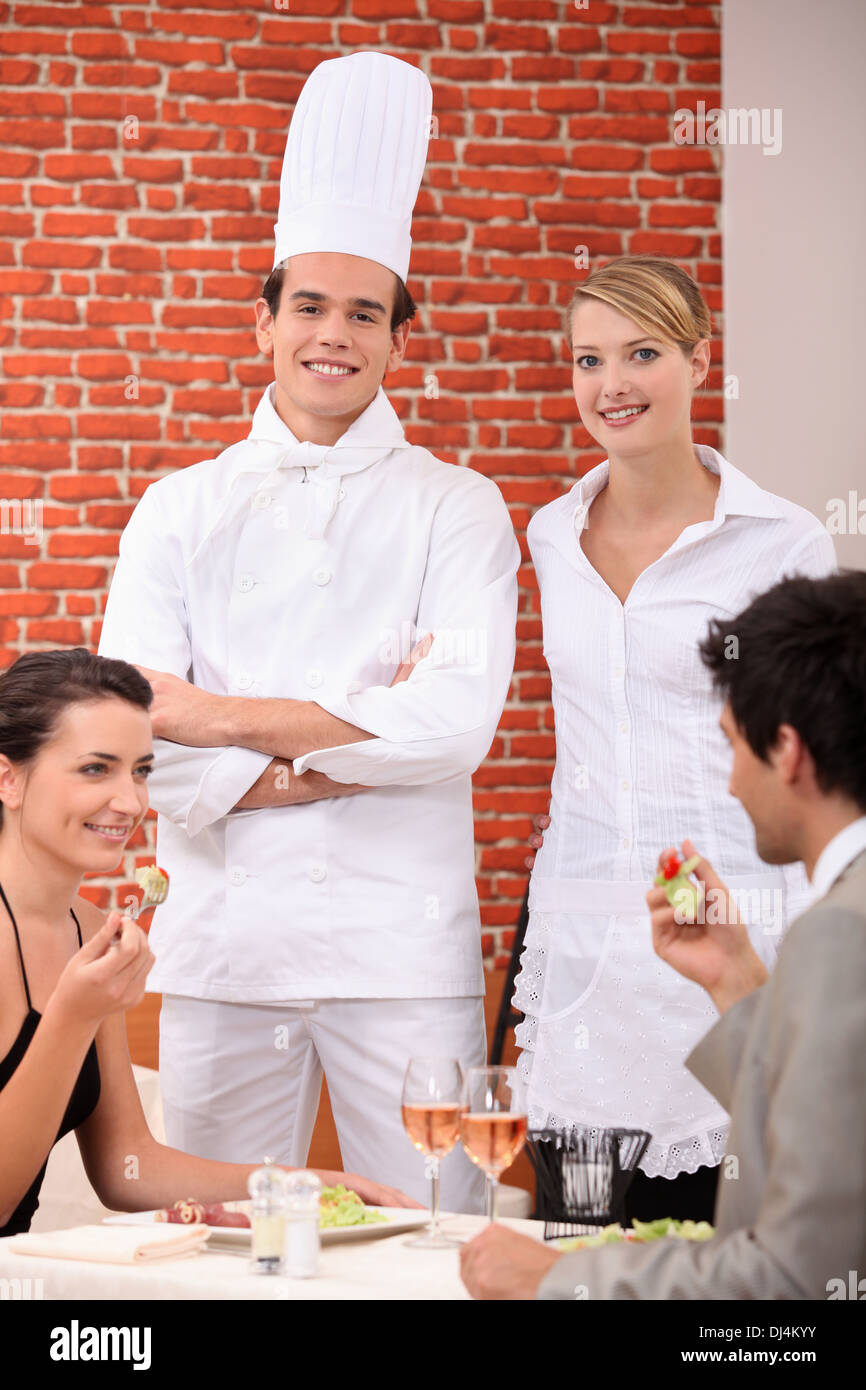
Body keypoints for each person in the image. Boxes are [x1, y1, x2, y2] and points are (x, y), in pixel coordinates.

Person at [97, 53, 519, 1212]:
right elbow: (145, 749)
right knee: (223, 1245)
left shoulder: (458, 506)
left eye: (364, 313)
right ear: (264, 317)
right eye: (310, 306)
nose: (333, 335)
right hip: (227, 957)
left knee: (439, 1247)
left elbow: (450, 731)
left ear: (396, 337)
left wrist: (218, 717)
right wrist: (350, 744)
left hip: (405, 960)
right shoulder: (177, 506)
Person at [511, 255, 836, 1222]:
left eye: (642, 353)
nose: (611, 386)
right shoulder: (549, 537)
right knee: (578, 1244)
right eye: (588, 360)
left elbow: (814, 766)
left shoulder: (782, 542)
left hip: (727, 937)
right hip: (581, 936)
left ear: (700, 360)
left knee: (722, 1246)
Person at [462, 570, 866, 1299]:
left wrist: (568, 1278)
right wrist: (735, 977)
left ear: (789, 751)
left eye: (732, 749)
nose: (732, 785)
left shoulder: (839, 933)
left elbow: (797, 1279)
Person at [0, 649, 417, 1238]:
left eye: (140, 770)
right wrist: (73, 1012)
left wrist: (301, 1185)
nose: (129, 802)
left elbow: (127, 1169)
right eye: (96, 769)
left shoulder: (92, 933)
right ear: (8, 779)